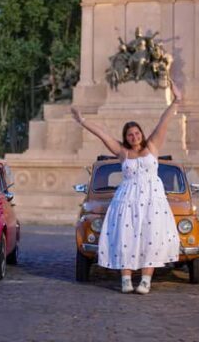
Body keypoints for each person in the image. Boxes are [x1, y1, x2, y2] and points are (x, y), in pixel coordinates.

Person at [71, 81, 182, 294]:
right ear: (126, 137)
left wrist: (176, 100)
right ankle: (126, 279)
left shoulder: (152, 146)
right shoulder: (122, 152)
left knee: (152, 235)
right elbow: (102, 134)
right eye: (130, 134)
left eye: (137, 133)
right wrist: (83, 121)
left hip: (152, 198)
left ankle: (146, 281)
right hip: (128, 198)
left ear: (141, 133)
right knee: (126, 235)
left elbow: (163, 121)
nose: (134, 137)